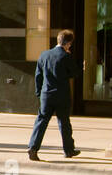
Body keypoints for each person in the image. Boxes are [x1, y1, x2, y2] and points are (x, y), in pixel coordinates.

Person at [28, 29, 81, 161]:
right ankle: (68, 150)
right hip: (62, 95)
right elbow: (75, 73)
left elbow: (38, 76)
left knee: (41, 121)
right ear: (68, 43)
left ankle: (33, 148)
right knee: (64, 122)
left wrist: (39, 93)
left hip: (46, 94)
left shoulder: (44, 55)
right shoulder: (66, 56)